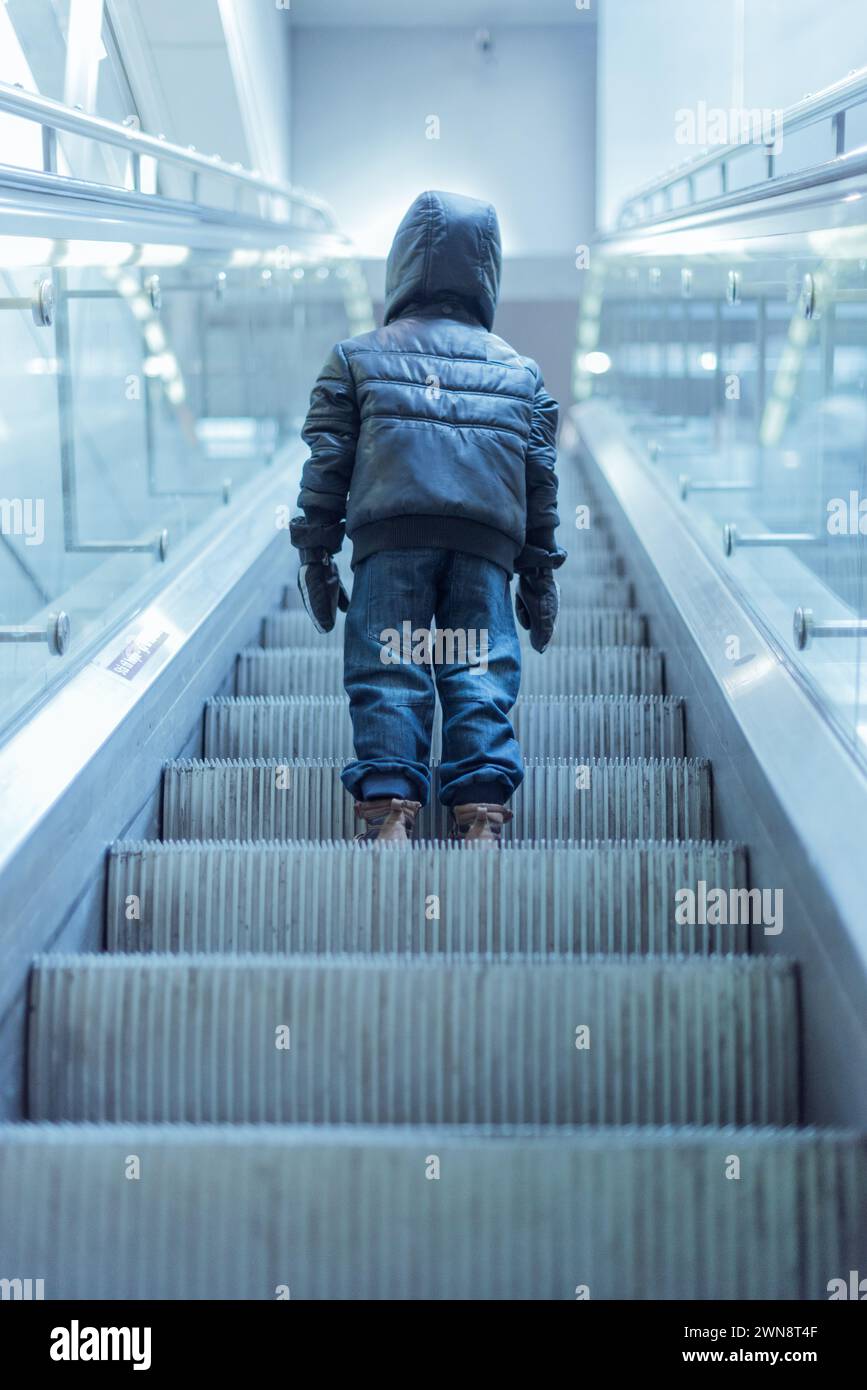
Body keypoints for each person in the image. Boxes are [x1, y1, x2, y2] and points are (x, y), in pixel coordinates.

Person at [290, 189, 565, 845]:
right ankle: (479, 816)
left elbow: (327, 460)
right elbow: (539, 480)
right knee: (479, 670)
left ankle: (388, 812)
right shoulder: (520, 373)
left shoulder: (356, 355)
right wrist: (538, 574)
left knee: (389, 670)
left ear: (401, 265)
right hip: (484, 548)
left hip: (391, 539)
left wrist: (315, 552)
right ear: (487, 272)